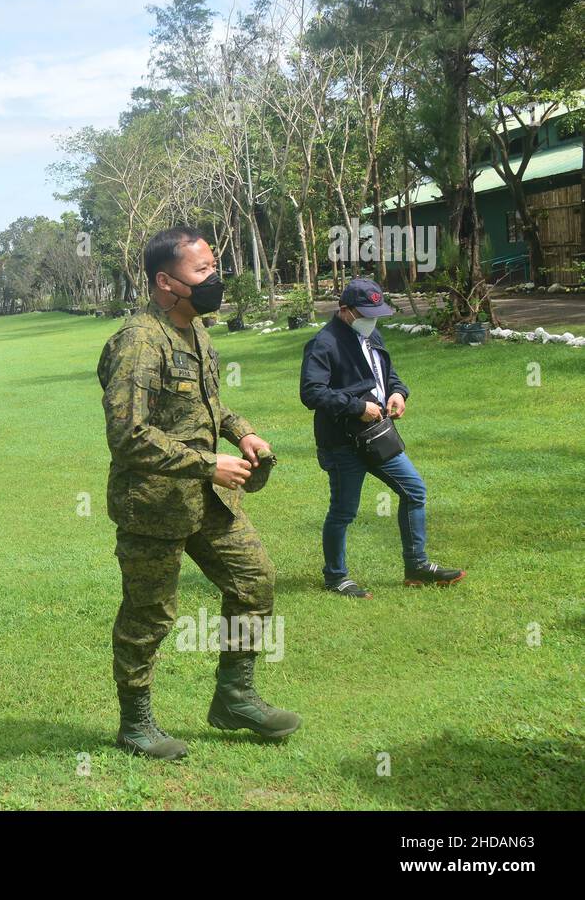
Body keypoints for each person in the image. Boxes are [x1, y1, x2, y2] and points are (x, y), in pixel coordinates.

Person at [98, 226, 300, 760]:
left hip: (206, 500)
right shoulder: (139, 341)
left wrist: (242, 432)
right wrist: (209, 464)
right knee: (150, 615)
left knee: (254, 580)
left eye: (214, 266)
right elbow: (129, 436)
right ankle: (135, 725)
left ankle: (235, 697)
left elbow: (207, 405)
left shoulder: (197, 332)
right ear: (166, 282)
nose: (216, 278)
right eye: (203, 271)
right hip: (153, 507)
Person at [299, 278, 465, 597]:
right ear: (345, 310)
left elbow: (385, 374)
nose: (372, 318)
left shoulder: (371, 333)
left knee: (414, 490)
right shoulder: (324, 343)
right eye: (366, 312)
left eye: (376, 311)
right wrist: (357, 407)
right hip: (342, 441)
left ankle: (416, 566)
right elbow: (312, 392)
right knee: (344, 511)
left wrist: (398, 393)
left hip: (377, 435)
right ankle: (336, 577)